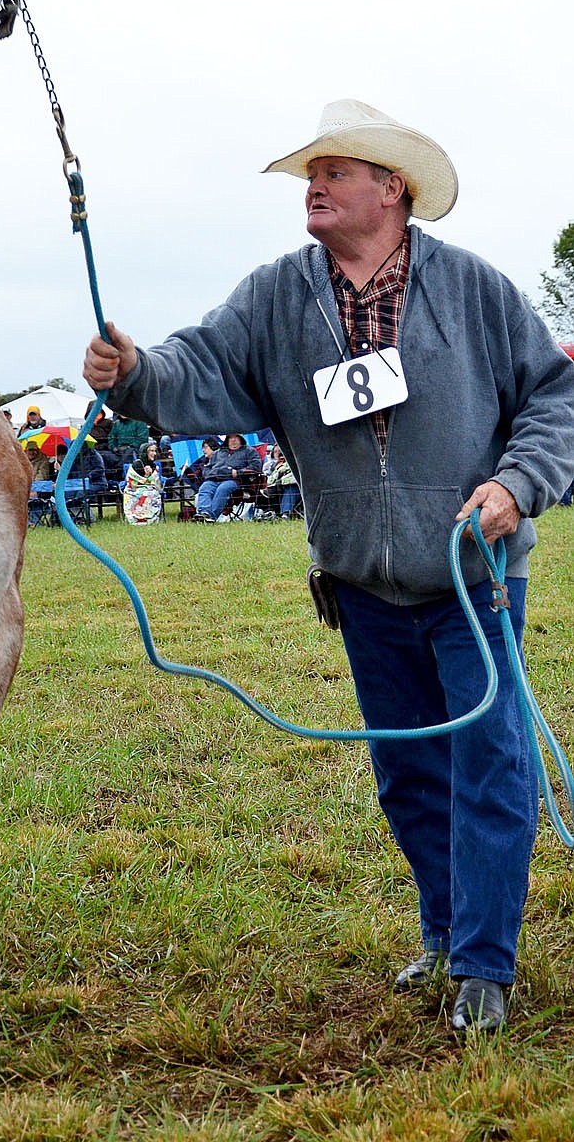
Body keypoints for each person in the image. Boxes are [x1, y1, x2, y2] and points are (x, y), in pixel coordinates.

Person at [83, 97, 574, 1035]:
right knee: (408, 774)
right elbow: (201, 368)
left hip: (474, 574)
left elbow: (558, 396)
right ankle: (442, 930)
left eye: (335, 172)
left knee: (489, 762)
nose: (314, 187)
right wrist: (137, 371)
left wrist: (519, 483)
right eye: (312, 175)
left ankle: (483, 964)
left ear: (392, 190)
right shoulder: (275, 295)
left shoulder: (474, 288)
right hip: (360, 583)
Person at [194, 433, 262, 522]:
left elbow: (256, 466)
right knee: (204, 488)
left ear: (241, 439)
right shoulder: (218, 453)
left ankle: (210, 516)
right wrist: (209, 474)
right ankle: (204, 513)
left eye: (236, 437)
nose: (233, 440)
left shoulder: (249, 451)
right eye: (231, 438)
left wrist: (238, 472)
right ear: (227, 440)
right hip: (214, 478)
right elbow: (207, 468)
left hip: (234, 480)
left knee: (223, 489)